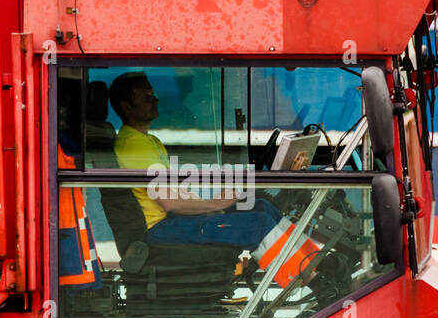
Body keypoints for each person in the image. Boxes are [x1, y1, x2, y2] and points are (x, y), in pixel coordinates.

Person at [107, 72, 318, 287]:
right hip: (159, 229)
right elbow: (169, 202)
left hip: (171, 221)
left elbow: (177, 191)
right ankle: (310, 280)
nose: (155, 99)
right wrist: (215, 204)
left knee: (261, 206)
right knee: (258, 224)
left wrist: (211, 208)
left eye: (152, 93)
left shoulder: (150, 140)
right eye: (146, 96)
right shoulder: (133, 144)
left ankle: (315, 262)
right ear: (127, 107)